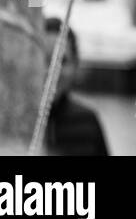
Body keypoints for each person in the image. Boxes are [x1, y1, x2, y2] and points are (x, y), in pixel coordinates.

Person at [42, 18, 110, 156]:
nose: (52, 71)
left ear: (75, 64)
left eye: (62, 61)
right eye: (44, 60)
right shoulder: (12, 123)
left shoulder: (88, 122)